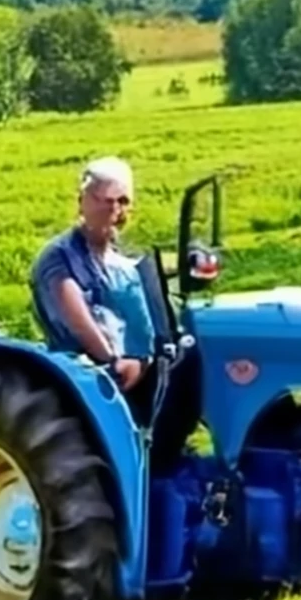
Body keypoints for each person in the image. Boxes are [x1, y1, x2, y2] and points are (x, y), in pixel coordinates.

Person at [30, 157, 202, 471]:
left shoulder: (121, 255)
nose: (115, 209)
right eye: (105, 200)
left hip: (140, 364)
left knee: (194, 354)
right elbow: (78, 318)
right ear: (82, 201)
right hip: (91, 369)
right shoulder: (59, 257)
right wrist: (114, 360)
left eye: (123, 201)